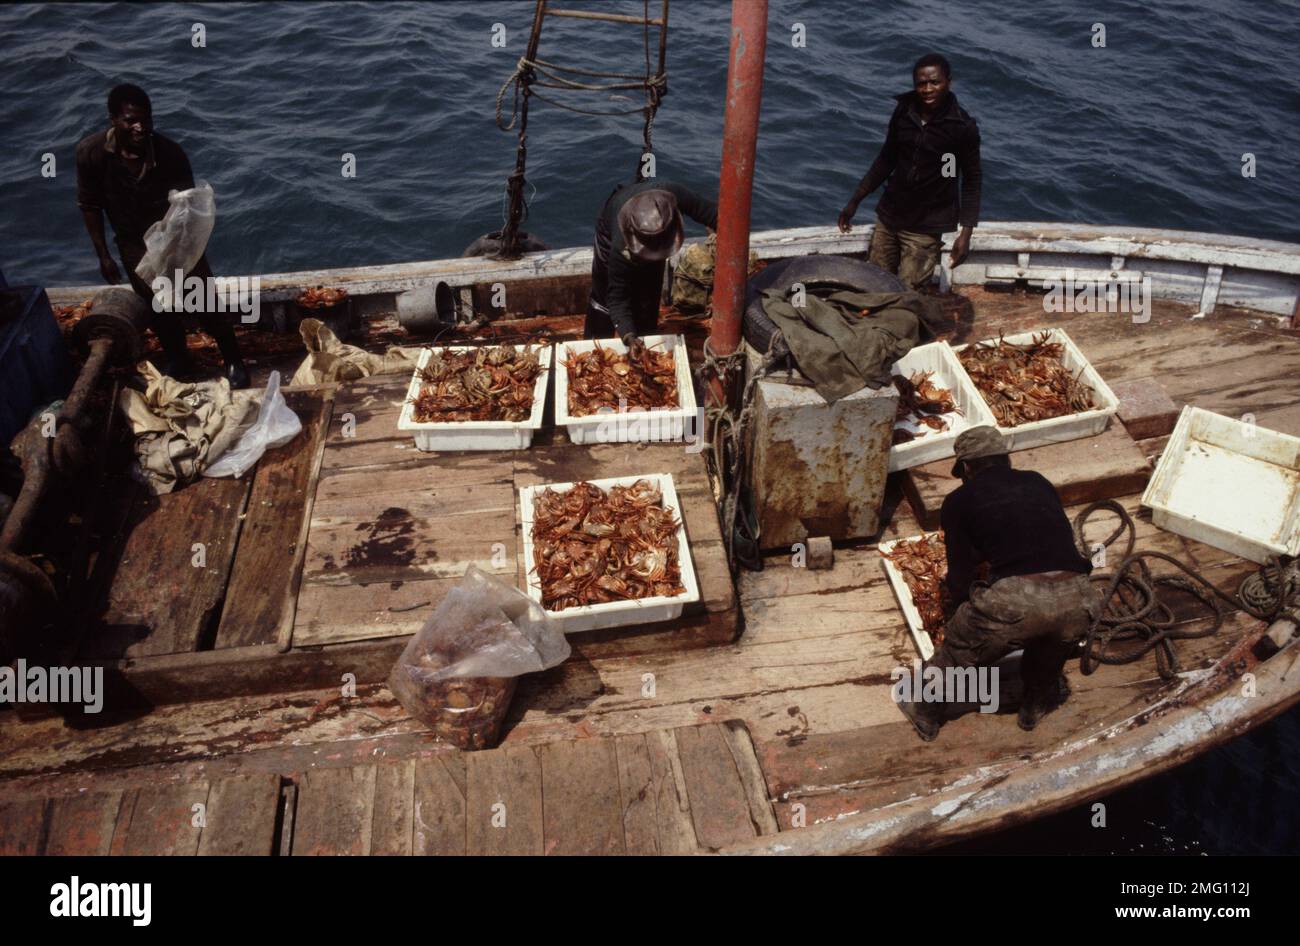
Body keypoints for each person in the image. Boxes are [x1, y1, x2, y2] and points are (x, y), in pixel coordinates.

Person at [897, 426, 1098, 741]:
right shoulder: (1039, 482)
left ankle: (924, 710)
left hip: (1018, 601)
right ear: (1006, 458)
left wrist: (960, 618)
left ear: (965, 468)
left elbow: (961, 577)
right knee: (1051, 649)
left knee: (957, 651)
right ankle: (1034, 705)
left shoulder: (958, 500)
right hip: (1081, 598)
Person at [76, 83, 249, 387]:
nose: (141, 127)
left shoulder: (171, 154)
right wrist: (102, 254)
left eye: (146, 119)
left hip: (176, 238)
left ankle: (233, 359)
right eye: (131, 121)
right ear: (113, 119)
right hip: (132, 243)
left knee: (203, 299)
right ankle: (179, 360)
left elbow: (188, 209)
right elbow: (89, 205)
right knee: (158, 307)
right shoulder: (91, 155)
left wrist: (180, 250)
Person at [837, 53, 982, 291]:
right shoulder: (904, 112)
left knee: (908, 293)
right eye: (921, 83)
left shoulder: (962, 128)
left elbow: (972, 181)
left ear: (949, 82)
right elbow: (885, 159)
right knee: (875, 284)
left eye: (934, 82)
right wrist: (855, 201)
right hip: (889, 215)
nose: (927, 89)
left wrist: (966, 234)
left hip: (926, 226)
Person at [585, 178, 718, 359]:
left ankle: (646, 334)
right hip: (611, 234)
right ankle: (594, 342)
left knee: (649, 292)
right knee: (603, 300)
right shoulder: (619, 246)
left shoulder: (672, 194)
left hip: (655, 233)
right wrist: (629, 337)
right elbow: (617, 298)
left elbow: (715, 214)